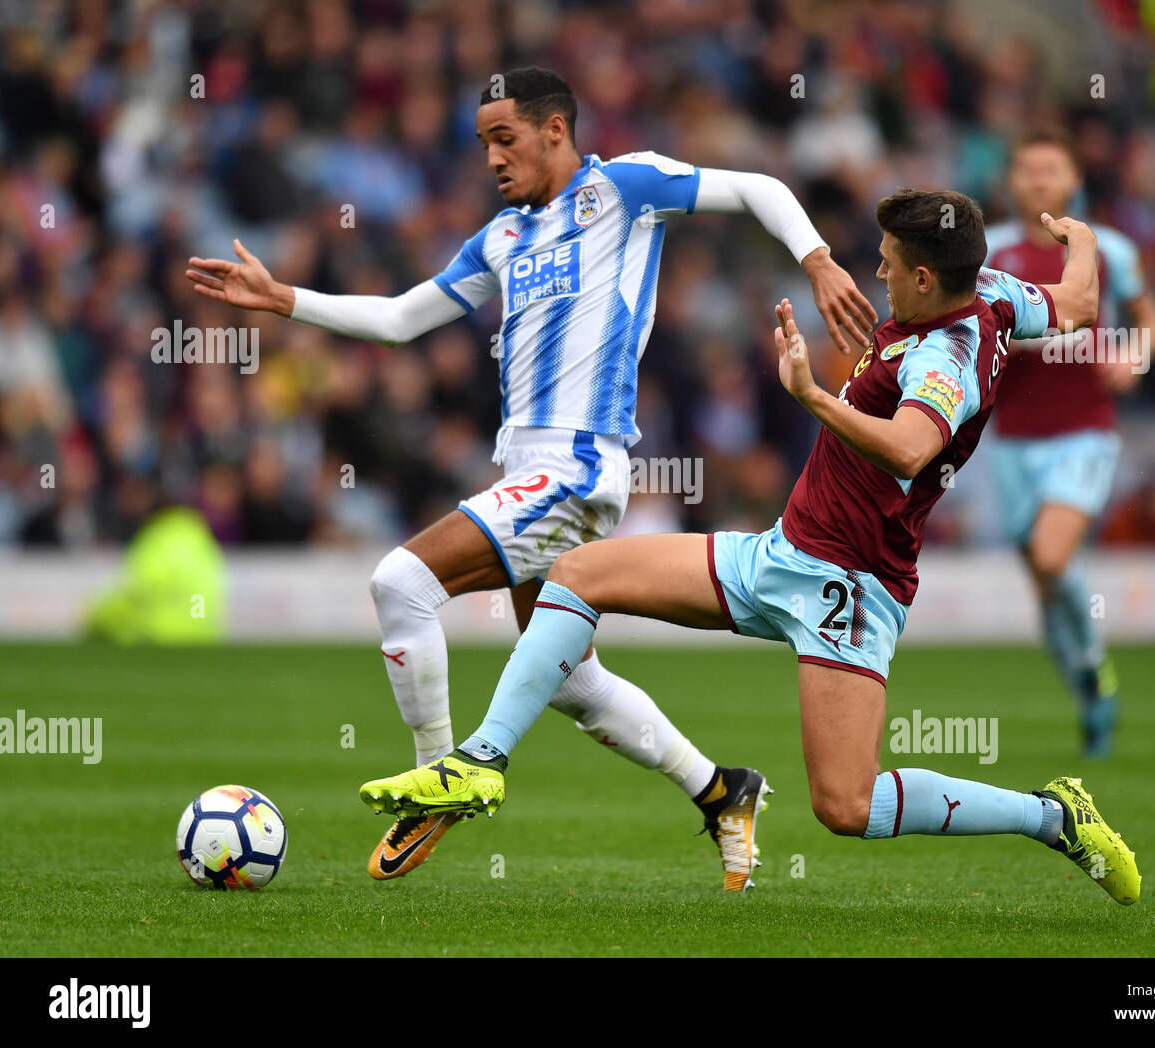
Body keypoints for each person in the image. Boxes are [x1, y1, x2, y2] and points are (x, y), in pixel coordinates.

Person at [185, 67, 875, 891]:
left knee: (400, 582)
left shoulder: (624, 188)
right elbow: (406, 318)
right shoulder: (504, 238)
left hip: (577, 466)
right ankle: (723, 789)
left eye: (504, 139)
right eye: (482, 144)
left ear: (556, 130)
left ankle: (438, 775)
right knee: (571, 680)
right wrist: (286, 299)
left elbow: (759, 185)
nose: (491, 159)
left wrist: (820, 260)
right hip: (528, 469)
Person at [359, 189, 1141, 905]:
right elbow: (1077, 301)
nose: (877, 270)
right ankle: (480, 762)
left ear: (929, 278)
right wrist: (1079, 238)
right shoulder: (1001, 294)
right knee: (577, 573)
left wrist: (811, 396)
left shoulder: (946, 359)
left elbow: (908, 449)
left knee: (848, 806)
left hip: (849, 591)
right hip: (782, 554)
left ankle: (1051, 816)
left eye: (890, 263)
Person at [984, 129, 1155, 757]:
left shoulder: (1106, 247)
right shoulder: (991, 256)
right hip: (1010, 441)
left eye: (1051, 169)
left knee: (1053, 556)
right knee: (1044, 580)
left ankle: (1093, 664)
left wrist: (1136, 355)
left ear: (1073, 180)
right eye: (1027, 170)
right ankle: (1090, 694)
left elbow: (1152, 317)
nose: (1038, 180)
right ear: (1012, 182)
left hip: (1084, 429)